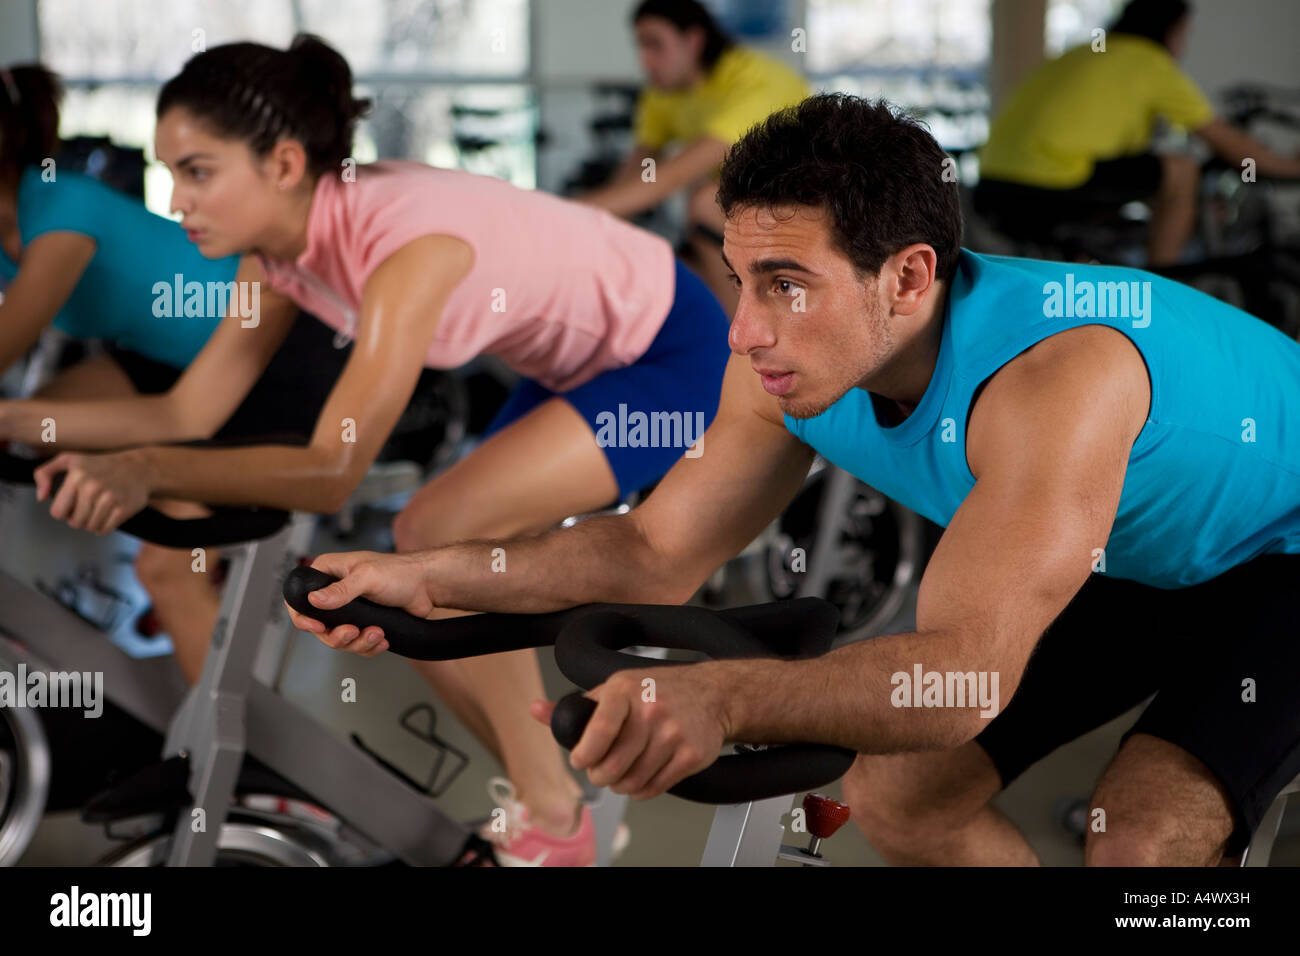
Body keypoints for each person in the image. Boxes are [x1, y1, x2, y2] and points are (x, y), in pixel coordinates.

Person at [290, 93, 1300, 867]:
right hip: (1141, 542)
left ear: (907, 276)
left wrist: (725, 698)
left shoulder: (1055, 382)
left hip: (1282, 545)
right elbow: (654, 550)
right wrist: (434, 574)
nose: (744, 328)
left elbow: (961, 678)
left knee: (1137, 834)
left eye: (786, 284)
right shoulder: (781, 364)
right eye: (740, 277)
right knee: (900, 798)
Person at [0, 35, 731, 866]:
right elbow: (189, 405)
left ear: (281, 164)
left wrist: (144, 471)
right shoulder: (275, 256)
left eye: (197, 172)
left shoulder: (403, 246)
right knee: (411, 591)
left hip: (671, 348)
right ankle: (557, 807)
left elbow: (329, 470)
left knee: (434, 537)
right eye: (171, 173)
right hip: (572, 365)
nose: (175, 202)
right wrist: (20, 420)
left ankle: (557, 815)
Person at [0, 63, 347, 684]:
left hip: (260, 353)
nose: (179, 196)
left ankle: (232, 762)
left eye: (196, 172)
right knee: (37, 429)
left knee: (163, 570)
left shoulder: (61, 207)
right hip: (160, 361)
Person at [976, 0, 1300, 265]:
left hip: (992, 184)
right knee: (1181, 170)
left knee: (1146, 173)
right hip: (1051, 184)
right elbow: (1227, 141)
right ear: (1172, 32)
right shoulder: (1149, 62)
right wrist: (1291, 166)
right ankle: (1161, 284)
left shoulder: (1085, 52)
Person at [579, 0, 809, 313]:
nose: (645, 60)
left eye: (655, 45)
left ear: (693, 40)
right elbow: (635, 177)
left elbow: (670, 178)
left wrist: (562, 214)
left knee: (706, 201)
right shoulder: (663, 95)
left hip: (808, 213)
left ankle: (744, 347)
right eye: (640, 46)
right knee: (673, 273)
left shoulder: (757, 82)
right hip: (749, 222)